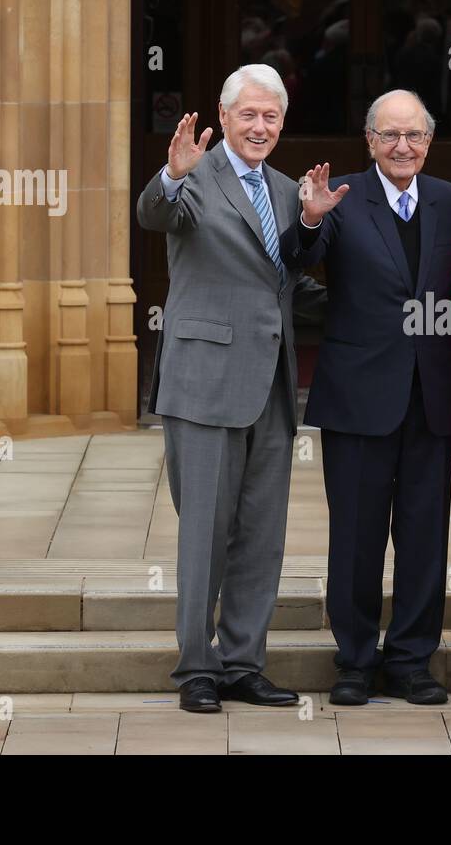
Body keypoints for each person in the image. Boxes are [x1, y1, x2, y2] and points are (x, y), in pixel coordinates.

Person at [136, 63, 325, 713]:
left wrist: (365, 300)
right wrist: (172, 174)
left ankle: (244, 662)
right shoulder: (195, 179)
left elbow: (286, 281)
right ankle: (197, 668)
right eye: (249, 114)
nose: (261, 126)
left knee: (262, 534)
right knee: (205, 532)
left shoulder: (283, 188)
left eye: (271, 116)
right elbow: (153, 214)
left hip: (271, 387)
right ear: (225, 116)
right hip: (204, 384)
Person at [280, 90, 451, 705]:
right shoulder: (339, 197)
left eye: (413, 135)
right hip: (358, 396)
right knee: (357, 538)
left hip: (431, 398)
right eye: (389, 135)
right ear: (369, 141)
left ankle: (413, 661)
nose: (402, 147)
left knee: (424, 537)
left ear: (429, 141)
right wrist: (309, 220)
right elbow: (300, 261)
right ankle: (357, 660)